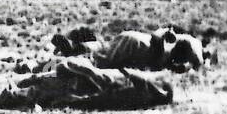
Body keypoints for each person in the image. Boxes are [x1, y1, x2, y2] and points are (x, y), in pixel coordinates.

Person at [0, 55, 173, 111]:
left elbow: (98, 97)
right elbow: (79, 69)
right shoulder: (134, 89)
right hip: (64, 84)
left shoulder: (136, 90)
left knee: (2, 96)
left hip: (64, 86)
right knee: (2, 97)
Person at [50, 26, 209, 72]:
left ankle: (74, 49)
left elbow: (158, 35)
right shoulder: (192, 45)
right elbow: (198, 65)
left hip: (136, 40)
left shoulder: (172, 51)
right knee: (102, 60)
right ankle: (71, 53)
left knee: (104, 51)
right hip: (138, 48)